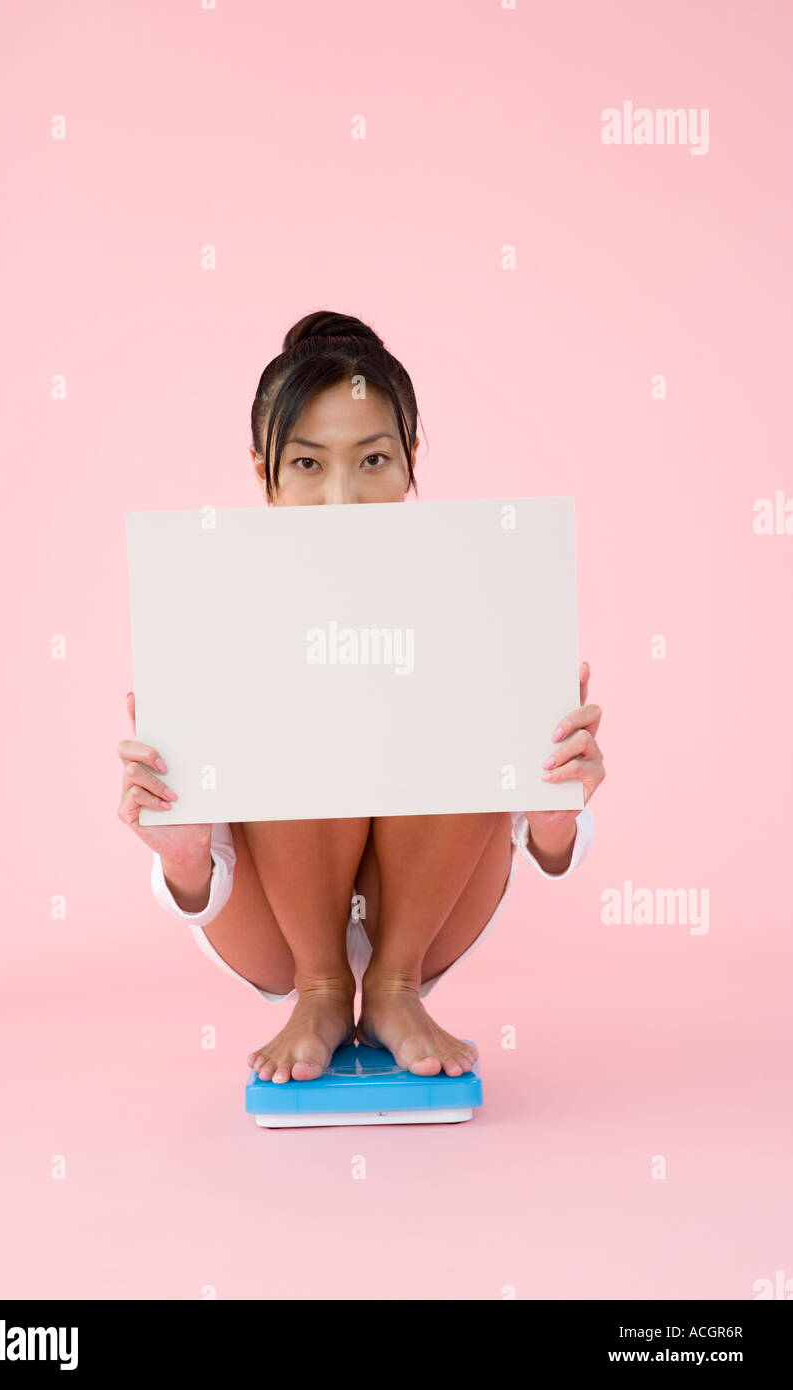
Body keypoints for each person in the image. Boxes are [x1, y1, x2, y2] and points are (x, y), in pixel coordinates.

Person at [117, 310, 605, 1084]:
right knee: (304, 680)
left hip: (426, 908)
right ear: (263, 471)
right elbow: (199, 877)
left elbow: (540, 848)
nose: (342, 499)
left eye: (372, 460)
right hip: (270, 921)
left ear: (411, 462)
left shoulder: (479, 590)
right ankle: (320, 990)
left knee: (453, 664)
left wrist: (549, 814)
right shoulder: (218, 606)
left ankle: (393, 987)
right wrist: (181, 852)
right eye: (308, 465)